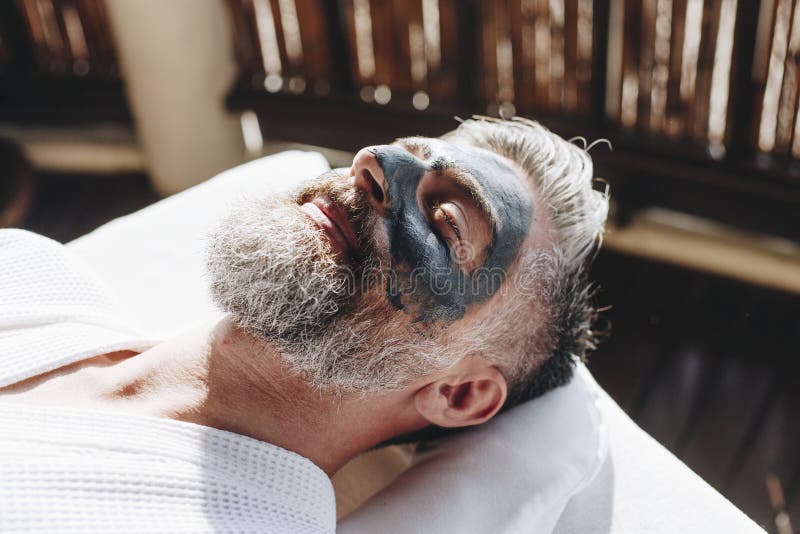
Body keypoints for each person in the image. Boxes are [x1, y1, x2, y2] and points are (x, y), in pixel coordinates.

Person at [0, 117, 609, 533]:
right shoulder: (33, 272)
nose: (372, 162)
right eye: (400, 150)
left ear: (460, 393)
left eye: (446, 224)